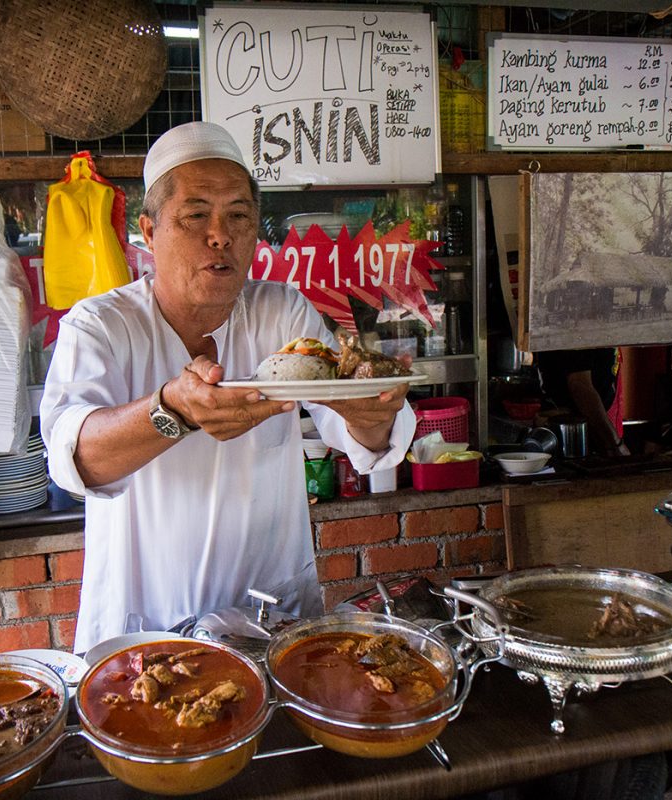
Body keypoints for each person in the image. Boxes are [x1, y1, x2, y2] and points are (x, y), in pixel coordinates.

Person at [39, 122, 415, 653]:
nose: (221, 235)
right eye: (195, 216)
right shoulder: (100, 326)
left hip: (272, 618)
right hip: (144, 623)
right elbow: (74, 457)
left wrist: (371, 413)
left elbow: (365, 439)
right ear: (148, 232)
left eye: (239, 216)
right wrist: (171, 411)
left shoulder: (281, 313)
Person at [534, 347, 630, 457]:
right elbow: (580, 386)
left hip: (596, 430)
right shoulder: (578, 333)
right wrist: (614, 442)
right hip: (571, 435)